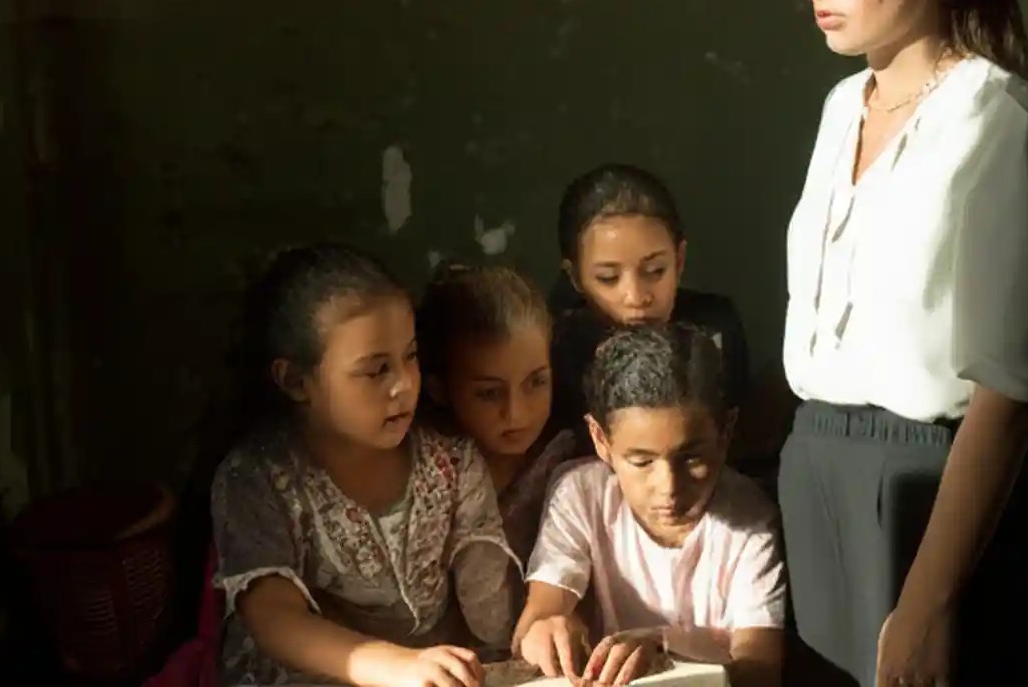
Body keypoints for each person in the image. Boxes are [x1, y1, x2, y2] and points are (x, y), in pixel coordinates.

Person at [779, 0, 1028, 685]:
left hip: (934, 495)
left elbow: (1008, 397)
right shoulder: (841, 106)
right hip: (818, 472)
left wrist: (923, 606)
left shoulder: (1001, 119)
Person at [210, 244, 519, 687]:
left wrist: (545, 622)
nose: (404, 385)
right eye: (376, 371)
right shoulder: (258, 478)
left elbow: (492, 614)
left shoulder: (451, 463)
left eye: (410, 357)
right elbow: (273, 616)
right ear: (296, 381)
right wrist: (396, 666)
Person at [515, 325, 786, 687]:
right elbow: (538, 617)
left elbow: (761, 669)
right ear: (600, 440)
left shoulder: (749, 522)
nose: (668, 488)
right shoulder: (582, 495)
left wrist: (665, 649)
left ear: (726, 433)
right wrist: (548, 630)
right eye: (642, 462)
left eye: (691, 459)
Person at [549, 164, 750, 434]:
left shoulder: (715, 332)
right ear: (575, 278)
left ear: (679, 262)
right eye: (608, 278)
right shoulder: (556, 353)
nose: (636, 297)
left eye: (655, 271)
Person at [415, 262, 578, 569]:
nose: (517, 413)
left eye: (536, 382)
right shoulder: (423, 480)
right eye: (490, 393)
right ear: (439, 389)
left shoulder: (571, 462)